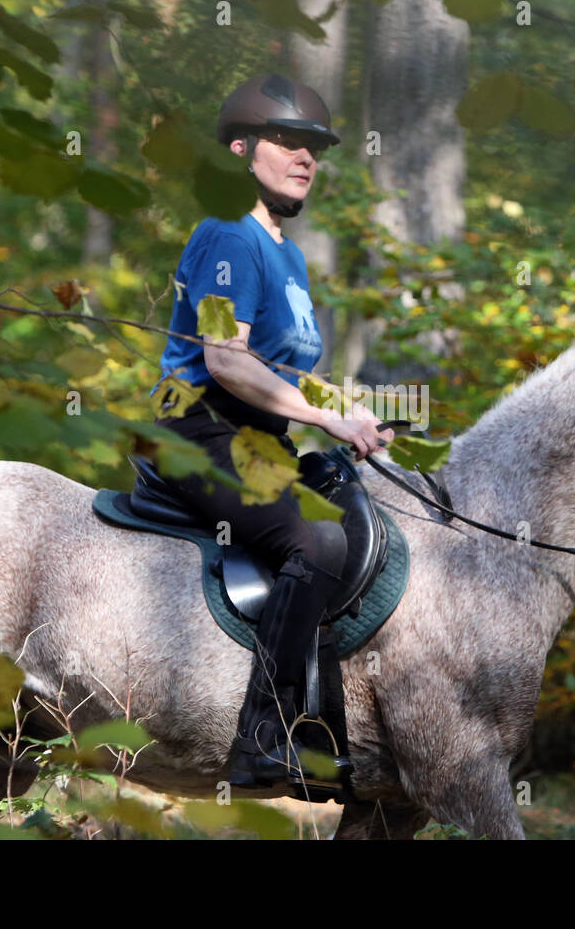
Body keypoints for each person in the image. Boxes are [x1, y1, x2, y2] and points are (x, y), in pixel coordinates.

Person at [153, 74, 393, 787]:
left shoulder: (286, 254)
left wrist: (349, 412)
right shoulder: (227, 233)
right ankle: (264, 738)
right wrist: (323, 416)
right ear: (240, 151)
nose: (306, 157)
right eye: (287, 140)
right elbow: (226, 360)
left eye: (314, 146)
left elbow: (286, 370)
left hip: (261, 442)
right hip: (196, 430)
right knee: (315, 540)